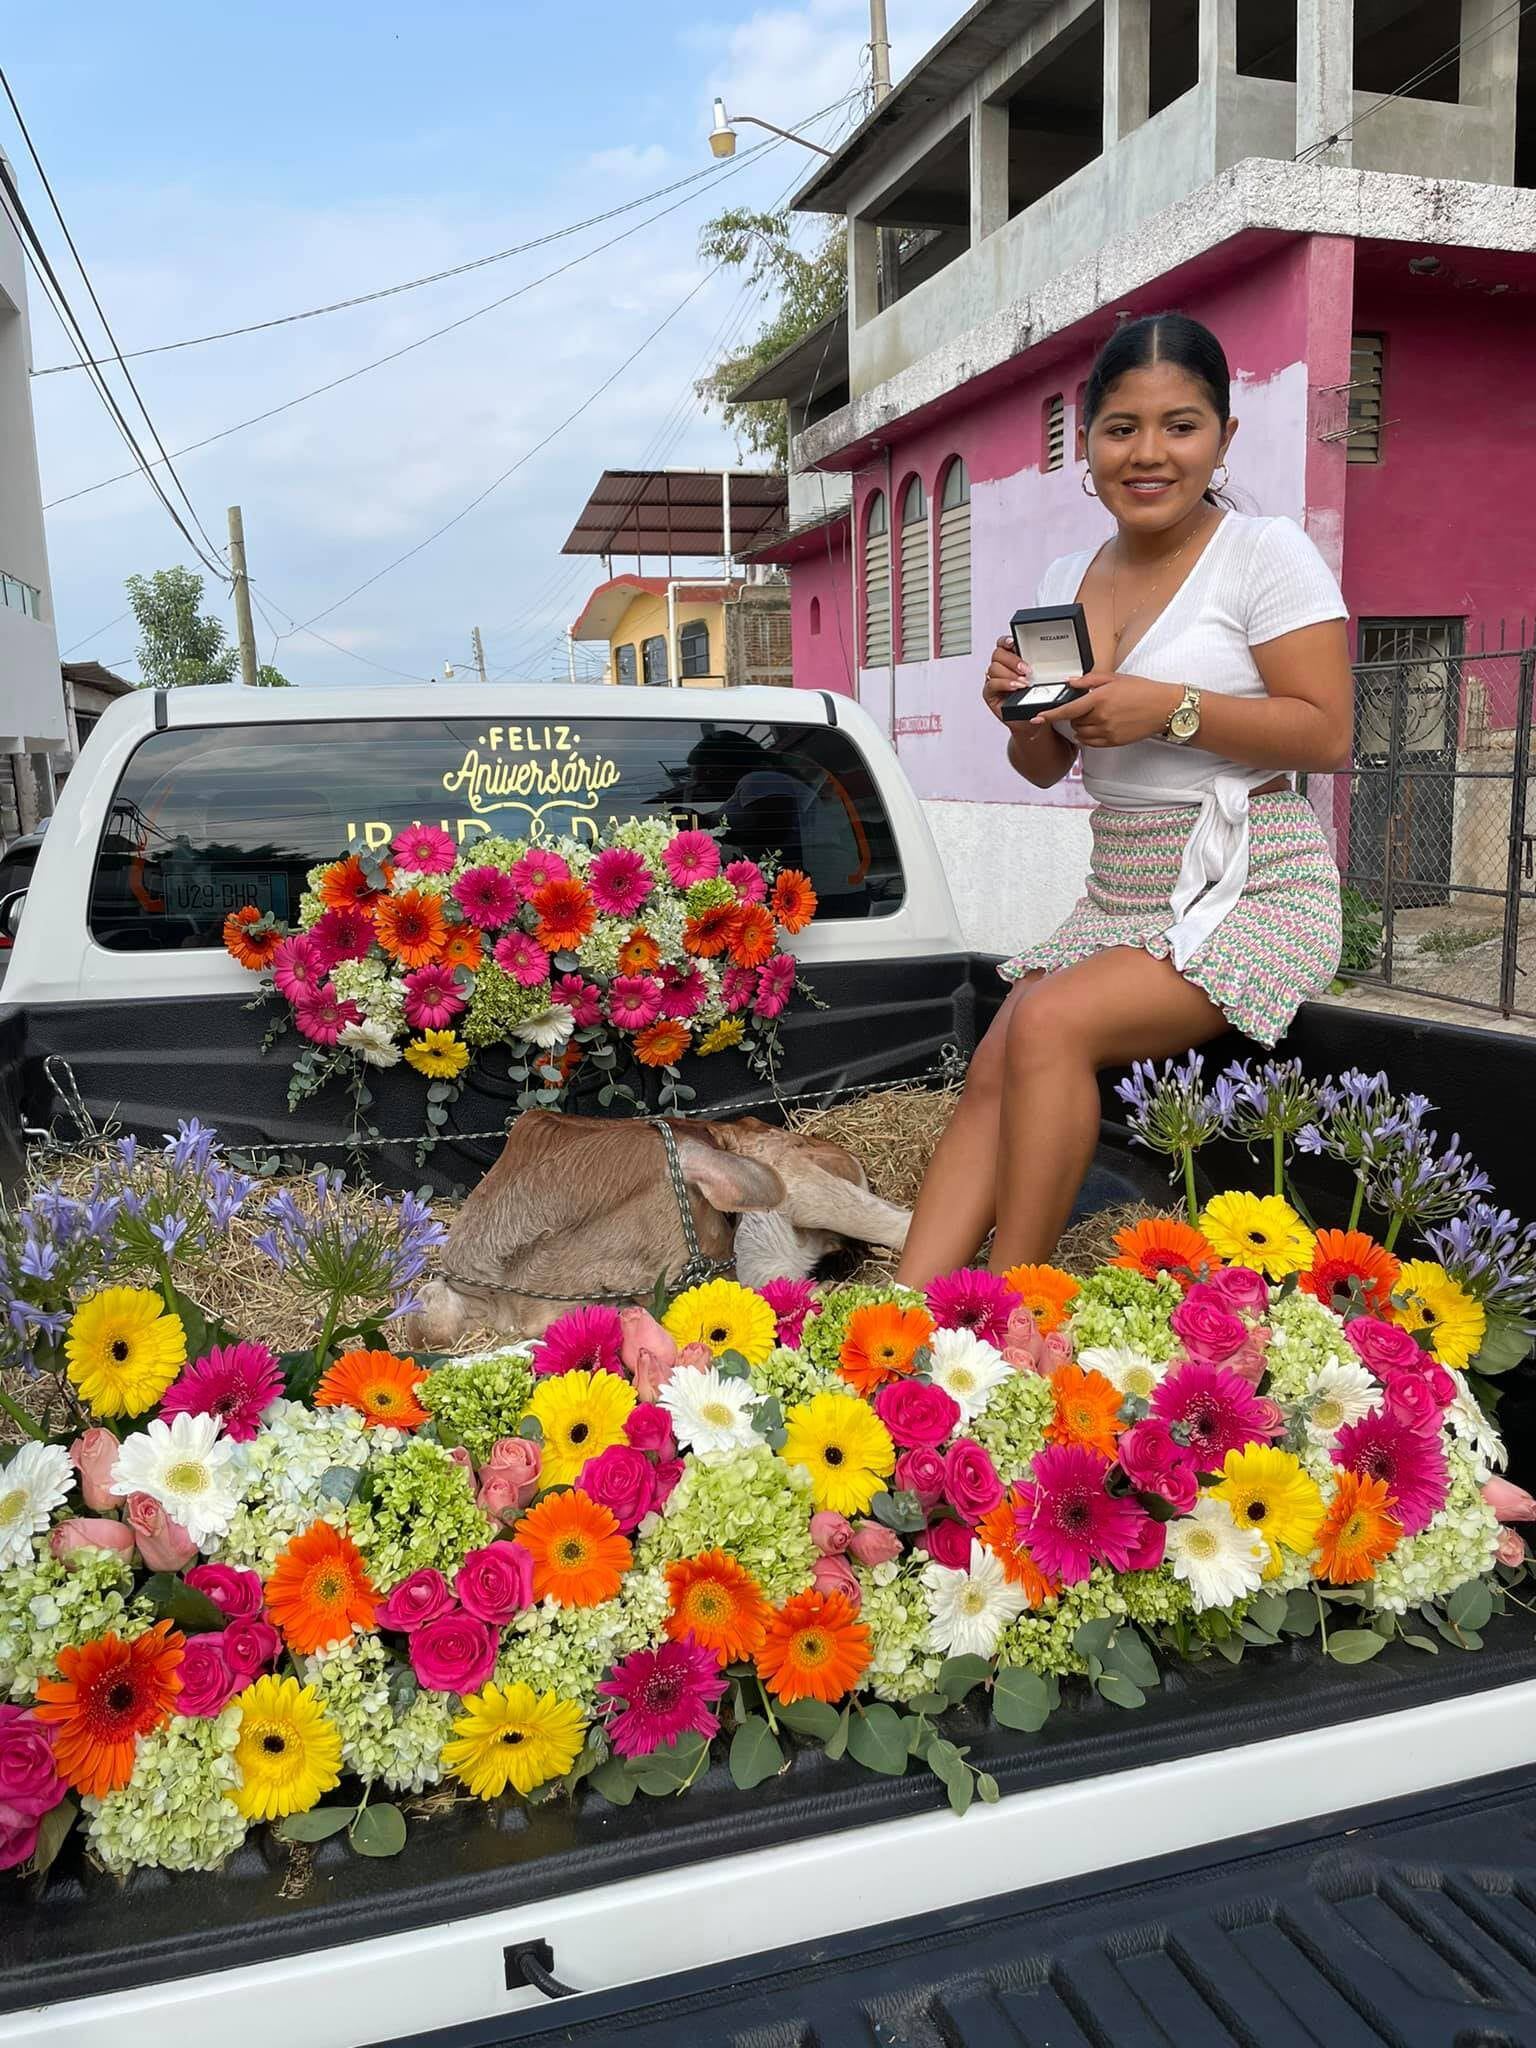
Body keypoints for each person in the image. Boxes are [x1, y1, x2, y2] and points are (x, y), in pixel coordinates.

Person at [895, 311, 1354, 1287]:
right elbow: (1041, 767)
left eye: (1180, 425)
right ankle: (907, 1312)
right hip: (1121, 892)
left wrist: (1169, 709)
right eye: (1121, 428)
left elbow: (1326, 732)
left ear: (1224, 438)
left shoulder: (1265, 554)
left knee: (1051, 1023)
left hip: (1250, 884)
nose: (1148, 453)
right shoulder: (1068, 578)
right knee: (1003, 1048)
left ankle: (1010, 1315)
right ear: (1088, 446)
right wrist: (1020, 715)